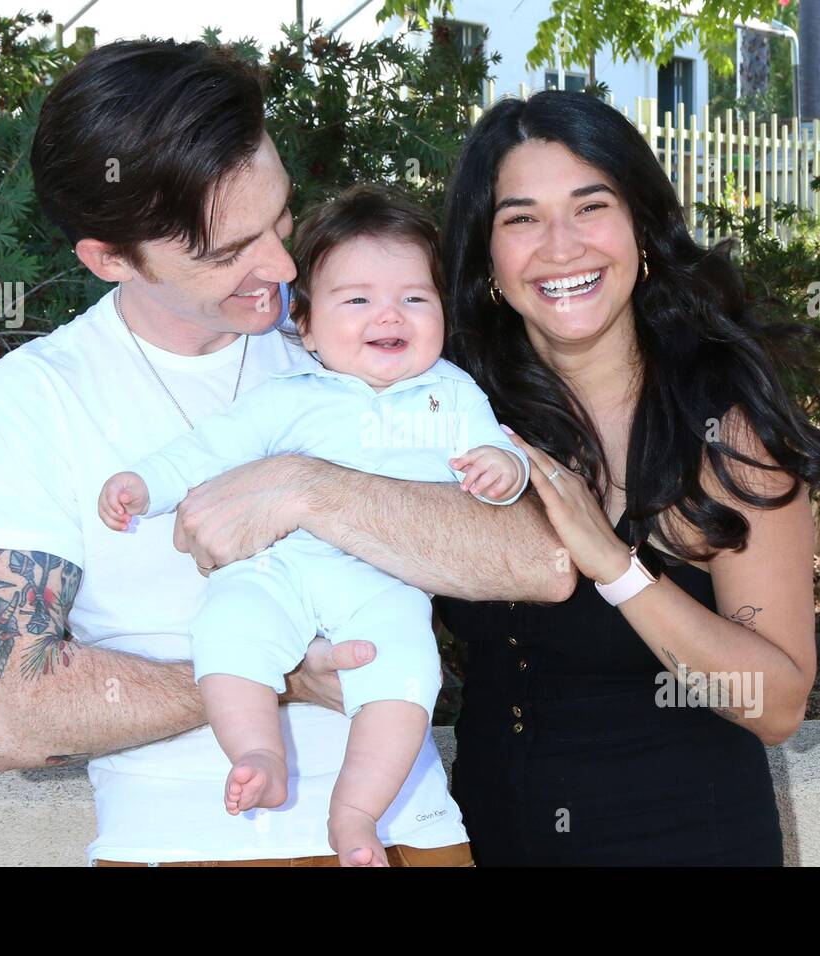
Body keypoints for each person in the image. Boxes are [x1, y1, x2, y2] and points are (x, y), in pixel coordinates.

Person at [0, 40, 573, 868]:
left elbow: (544, 562)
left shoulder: (357, 328)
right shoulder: (36, 396)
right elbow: (10, 715)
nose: (280, 268)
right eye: (227, 251)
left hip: (411, 834)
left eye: (280, 220)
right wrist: (280, 678)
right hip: (185, 844)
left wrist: (307, 490)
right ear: (107, 259)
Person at [432, 90, 820, 865]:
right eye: (521, 217)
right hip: (491, 835)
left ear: (641, 227)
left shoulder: (724, 428)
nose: (561, 246)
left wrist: (615, 564)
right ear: (490, 261)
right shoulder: (455, 416)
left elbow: (776, 705)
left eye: (590, 206)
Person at [96, 185, 528, 866]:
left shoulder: (452, 393)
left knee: (407, 671)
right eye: (356, 299)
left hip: (384, 583)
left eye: (415, 298)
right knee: (227, 625)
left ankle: (355, 815)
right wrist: (143, 484)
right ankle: (257, 751)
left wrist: (505, 470)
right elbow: (207, 451)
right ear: (304, 321)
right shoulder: (288, 396)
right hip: (282, 569)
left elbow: (496, 456)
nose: (389, 313)